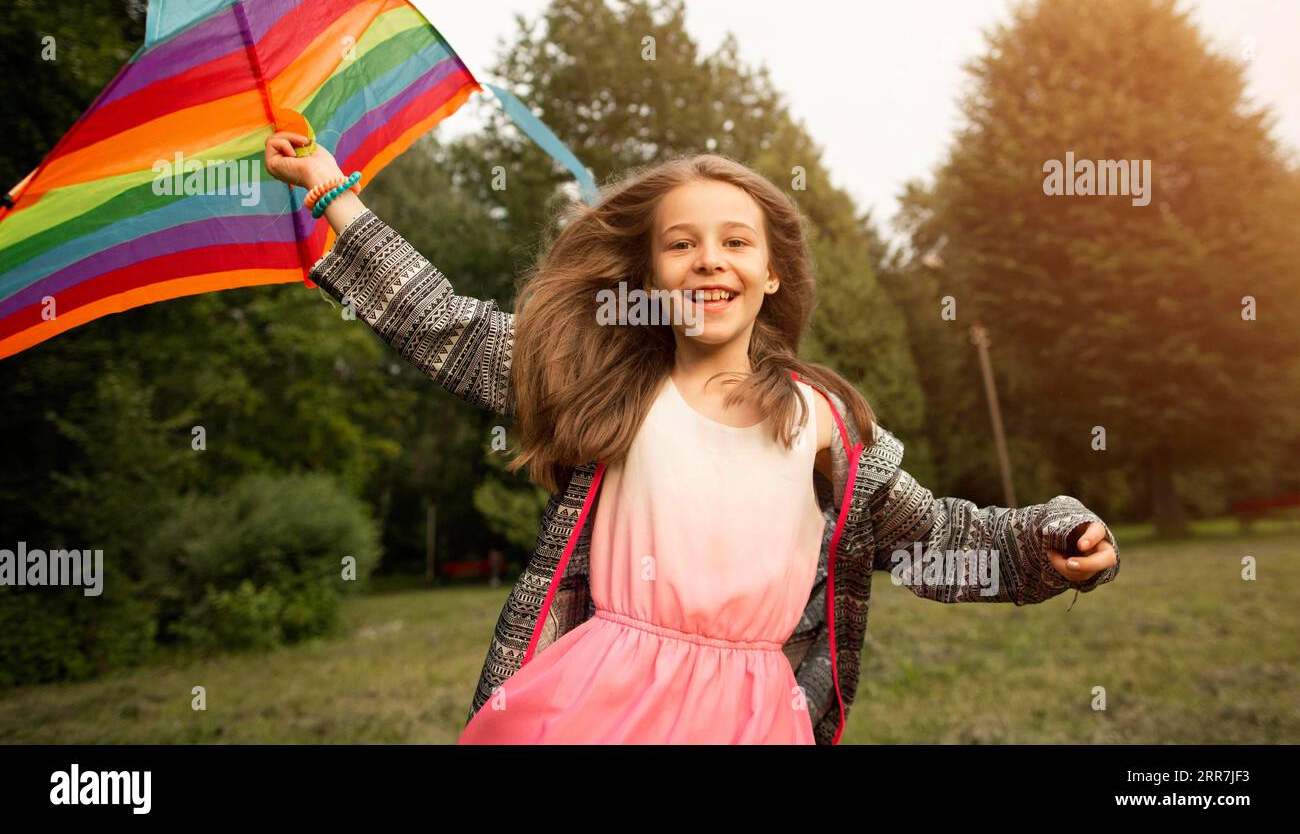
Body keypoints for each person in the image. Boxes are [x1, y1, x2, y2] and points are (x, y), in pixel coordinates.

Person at [264, 131, 1120, 744]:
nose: (710, 258)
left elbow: (936, 538)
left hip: (751, 713)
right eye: (682, 244)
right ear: (648, 276)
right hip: (596, 699)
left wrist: (1052, 542)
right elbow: (447, 328)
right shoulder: (604, 391)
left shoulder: (824, 423)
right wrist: (338, 194)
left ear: (772, 272)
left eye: (734, 241)